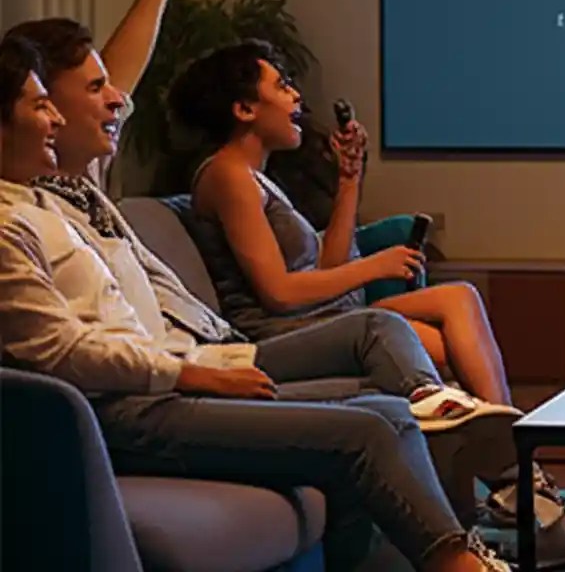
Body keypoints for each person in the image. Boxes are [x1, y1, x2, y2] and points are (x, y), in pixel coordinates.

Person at [0, 36, 512, 572]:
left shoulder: (61, 198)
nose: (56, 118)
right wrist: (189, 374)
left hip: (186, 365)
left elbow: (323, 265)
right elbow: (61, 349)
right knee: (371, 419)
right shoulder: (15, 223)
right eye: (42, 105)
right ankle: (472, 538)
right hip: (137, 399)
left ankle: (465, 482)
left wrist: (349, 183)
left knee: (390, 402)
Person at [167, 40, 517, 409]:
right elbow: (279, 293)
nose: (296, 97)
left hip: (316, 315)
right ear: (244, 109)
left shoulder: (257, 178)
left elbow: (329, 266)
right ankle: (502, 439)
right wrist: (375, 266)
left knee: (460, 295)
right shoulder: (228, 175)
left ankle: (508, 431)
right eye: (282, 87)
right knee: (441, 348)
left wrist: (349, 179)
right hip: (277, 332)